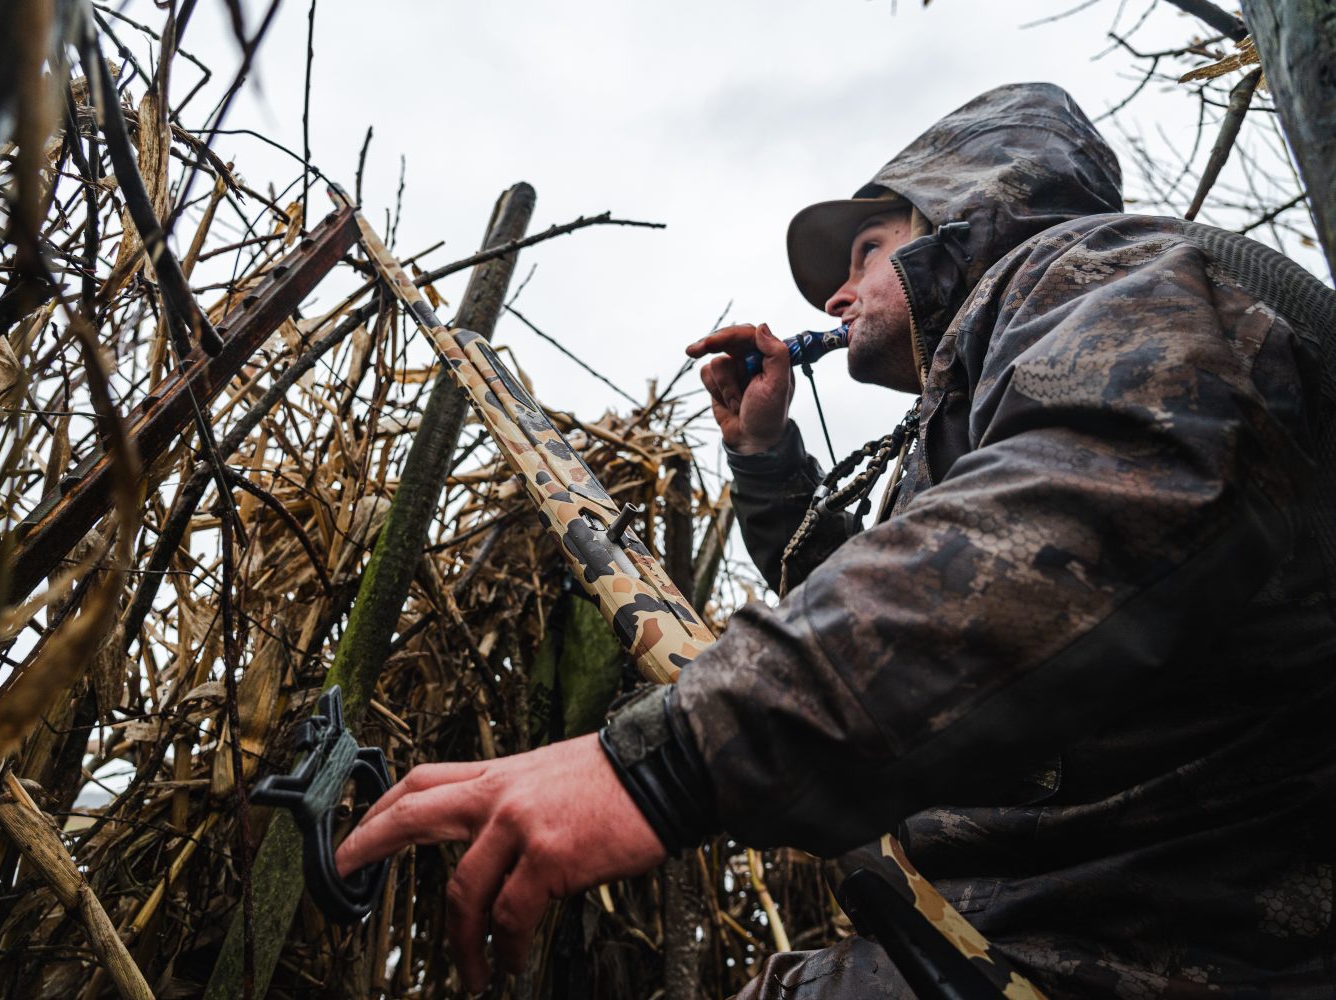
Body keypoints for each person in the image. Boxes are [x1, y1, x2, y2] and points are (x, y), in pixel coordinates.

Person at [337, 83, 1336, 997]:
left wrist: (666, 761)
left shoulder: (1117, 276)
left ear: (968, 206)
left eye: (863, 253)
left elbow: (1034, 559)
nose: (832, 297)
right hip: (1036, 936)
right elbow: (926, 636)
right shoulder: (996, 390)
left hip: (1165, 951)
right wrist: (768, 457)